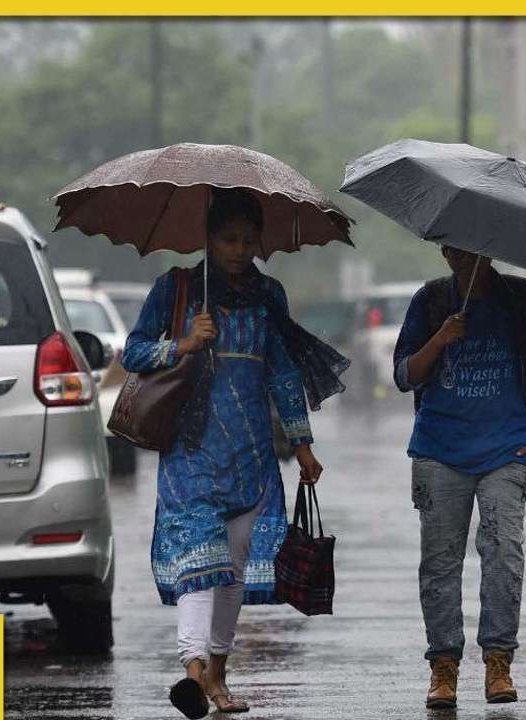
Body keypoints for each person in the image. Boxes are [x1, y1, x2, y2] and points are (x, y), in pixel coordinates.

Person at [122, 187, 348, 719]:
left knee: (234, 570)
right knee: (202, 563)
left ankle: (216, 673)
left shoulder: (269, 296)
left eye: (249, 240)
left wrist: (303, 444)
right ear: (208, 238)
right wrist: (179, 344)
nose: (240, 249)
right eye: (229, 239)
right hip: (191, 453)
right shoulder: (175, 289)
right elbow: (132, 351)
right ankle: (194, 669)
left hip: (252, 456)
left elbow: (285, 373)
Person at [392, 246, 526, 709]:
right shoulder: (429, 301)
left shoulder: (521, 299)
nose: (462, 258)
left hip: (507, 449)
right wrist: (440, 339)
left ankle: (498, 661)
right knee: (440, 562)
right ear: (444, 250)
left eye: (473, 250)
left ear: (490, 248)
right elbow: (405, 375)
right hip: (439, 451)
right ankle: (443, 669)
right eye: (453, 249)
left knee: (504, 551)